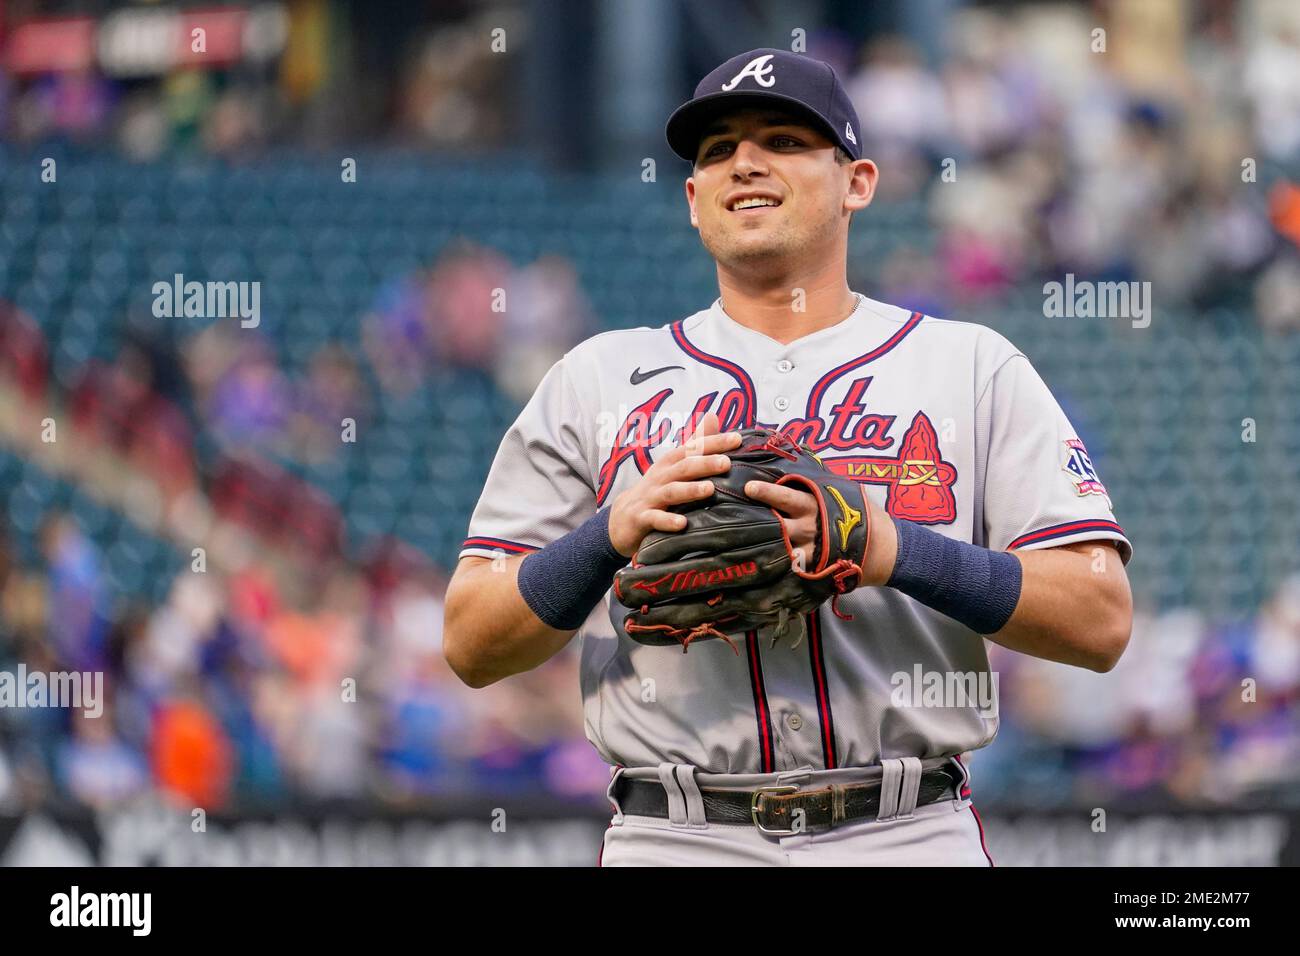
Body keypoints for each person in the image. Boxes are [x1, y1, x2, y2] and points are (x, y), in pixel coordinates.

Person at [443, 49, 1133, 866]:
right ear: (695, 203)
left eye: (783, 138)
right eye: (717, 151)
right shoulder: (594, 379)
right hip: (676, 835)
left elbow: (1100, 617)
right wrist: (607, 534)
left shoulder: (972, 367)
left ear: (859, 182)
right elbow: (472, 642)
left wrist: (893, 550)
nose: (746, 162)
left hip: (905, 831)